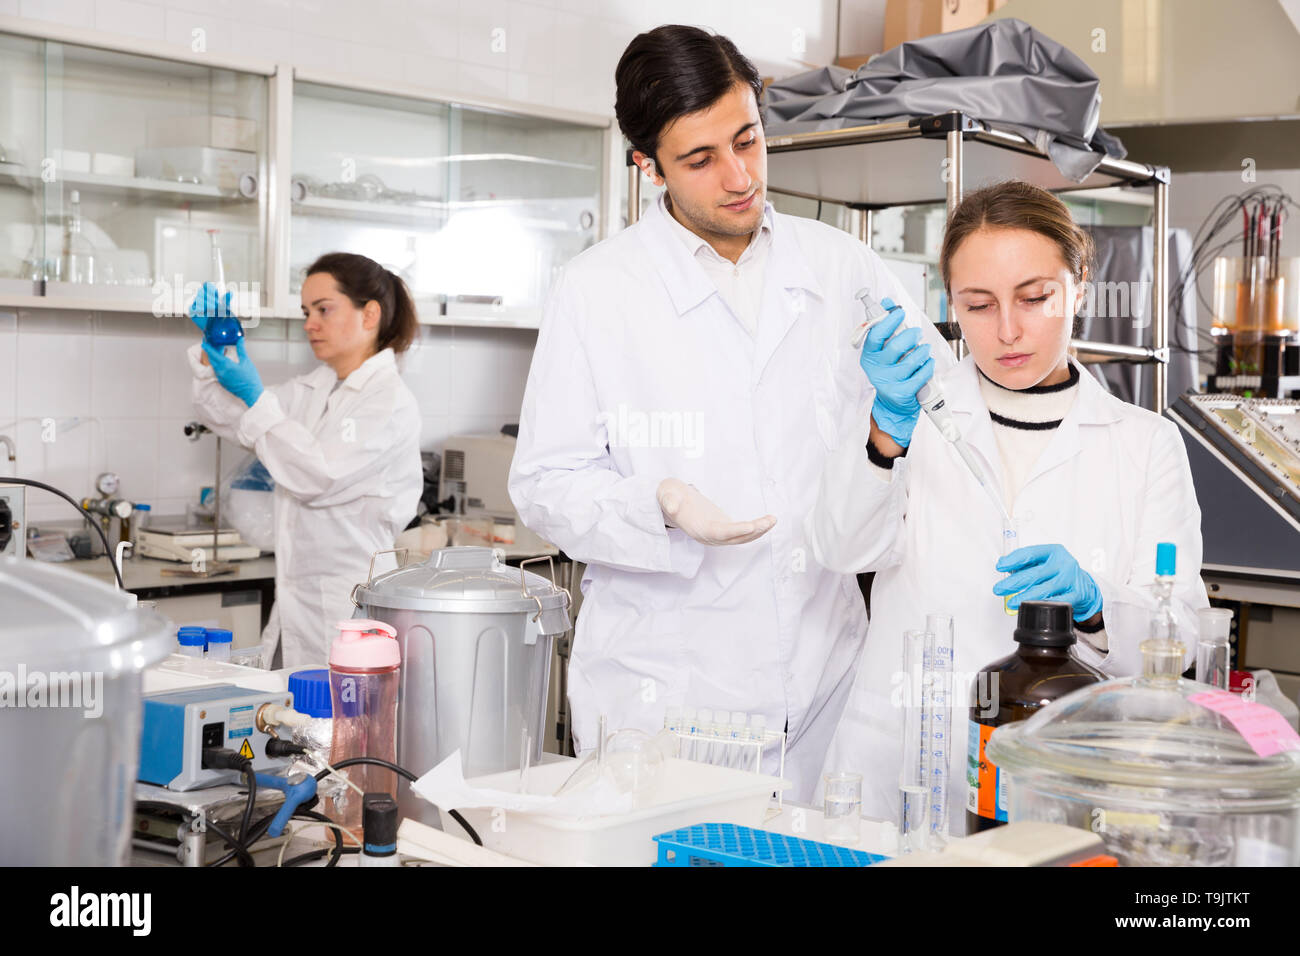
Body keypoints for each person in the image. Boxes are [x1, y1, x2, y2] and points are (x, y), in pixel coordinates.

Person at [508, 24, 952, 800]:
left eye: (748, 140)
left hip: (826, 687)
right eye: (701, 159)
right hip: (664, 704)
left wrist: (904, 415)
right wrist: (660, 504)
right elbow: (545, 484)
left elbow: (946, 413)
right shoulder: (597, 291)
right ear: (648, 165)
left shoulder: (839, 264)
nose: (740, 176)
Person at [806, 180, 1209, 830]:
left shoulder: (1145, 444)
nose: (1008, 330)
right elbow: (840, 548)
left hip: (1059, 772)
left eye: (1035, 297)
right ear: (952, 304)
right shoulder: (911, 412)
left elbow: (1180, 635)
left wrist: (1096, 604)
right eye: (979, 304)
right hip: (901, 762)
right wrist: (886, 434)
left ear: (1079, 286)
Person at [187, 252, 424, 666]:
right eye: (305, 311)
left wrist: (256, 397)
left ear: (370, 314)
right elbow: (228, 416)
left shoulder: (388, 401)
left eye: (323, 309)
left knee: (345, 706)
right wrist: (215, 352)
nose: (309, 324)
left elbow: (318, 476)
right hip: (296, 605)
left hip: (350, 609)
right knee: (294, 705)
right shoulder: (316, 389)